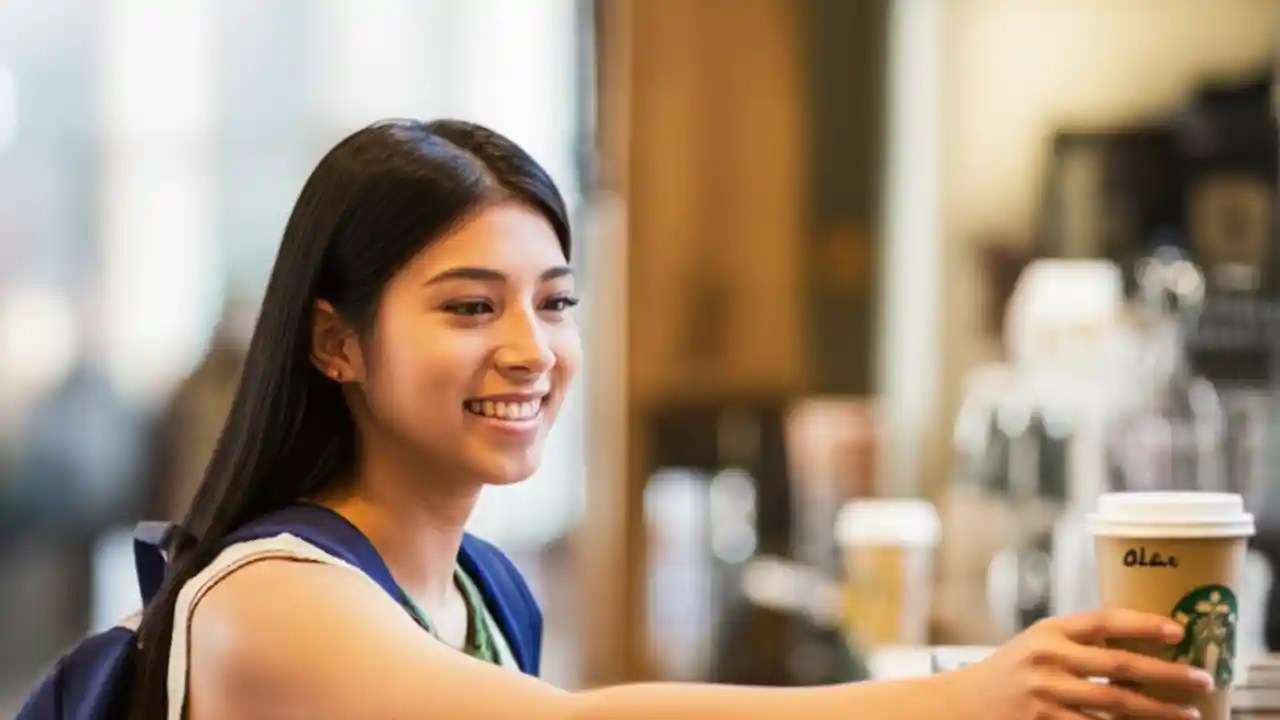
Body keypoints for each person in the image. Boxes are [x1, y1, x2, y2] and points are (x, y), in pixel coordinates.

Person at [129, 119, 1212, 720]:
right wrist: (960, 700)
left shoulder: (480, 592)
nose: (530, 349)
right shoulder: (268, 601)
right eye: (468, 306)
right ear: (336, 343)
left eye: (554, 302)